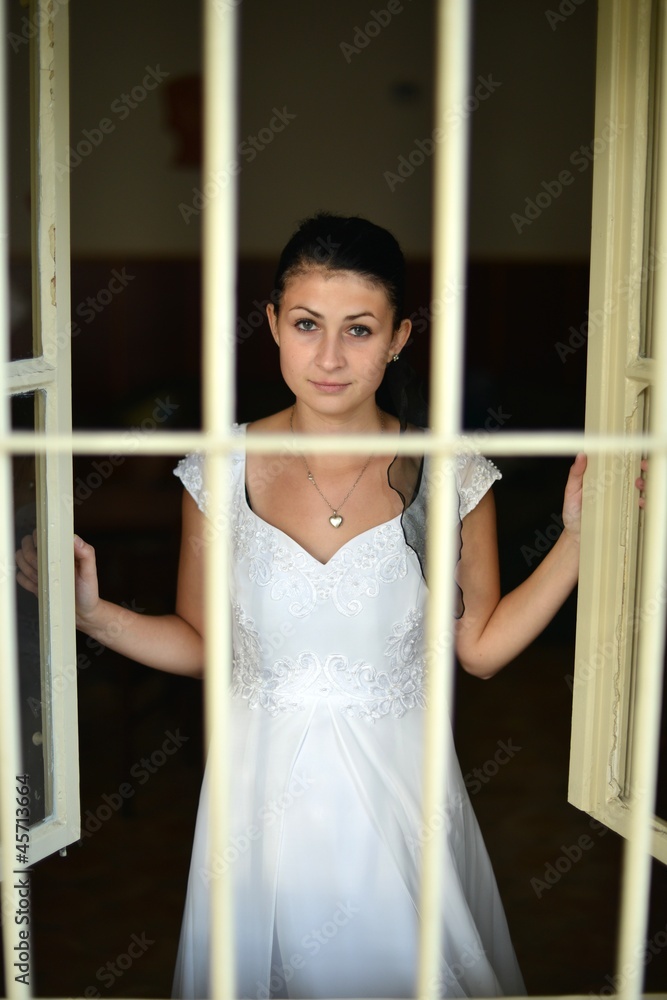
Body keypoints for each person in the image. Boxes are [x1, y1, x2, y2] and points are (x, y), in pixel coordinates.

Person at [17, 214, 587, 998]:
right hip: (256, 800)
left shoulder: (449, 472)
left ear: (398, 338)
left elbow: (480, 648)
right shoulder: (218, 469)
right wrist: (91, 615)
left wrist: (580, 541)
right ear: (274, 325)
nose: (328, 357)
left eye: (358, 330)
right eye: (307, 325)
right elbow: (200, 643)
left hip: (399, 797)